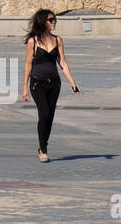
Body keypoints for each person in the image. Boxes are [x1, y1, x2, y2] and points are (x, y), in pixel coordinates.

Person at [20, 9, 79, 162]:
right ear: (42, 22)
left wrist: (73, 83)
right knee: (44, 113)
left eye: (55, 20)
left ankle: (43, 145)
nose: (54, 23)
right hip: (37, 83)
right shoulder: (33, 41)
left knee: (50, 116)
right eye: (51, 20)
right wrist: (24, 87)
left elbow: (63, 63)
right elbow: (28, 65)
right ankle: (43, 149)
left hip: (54, 83)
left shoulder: (58, 40)